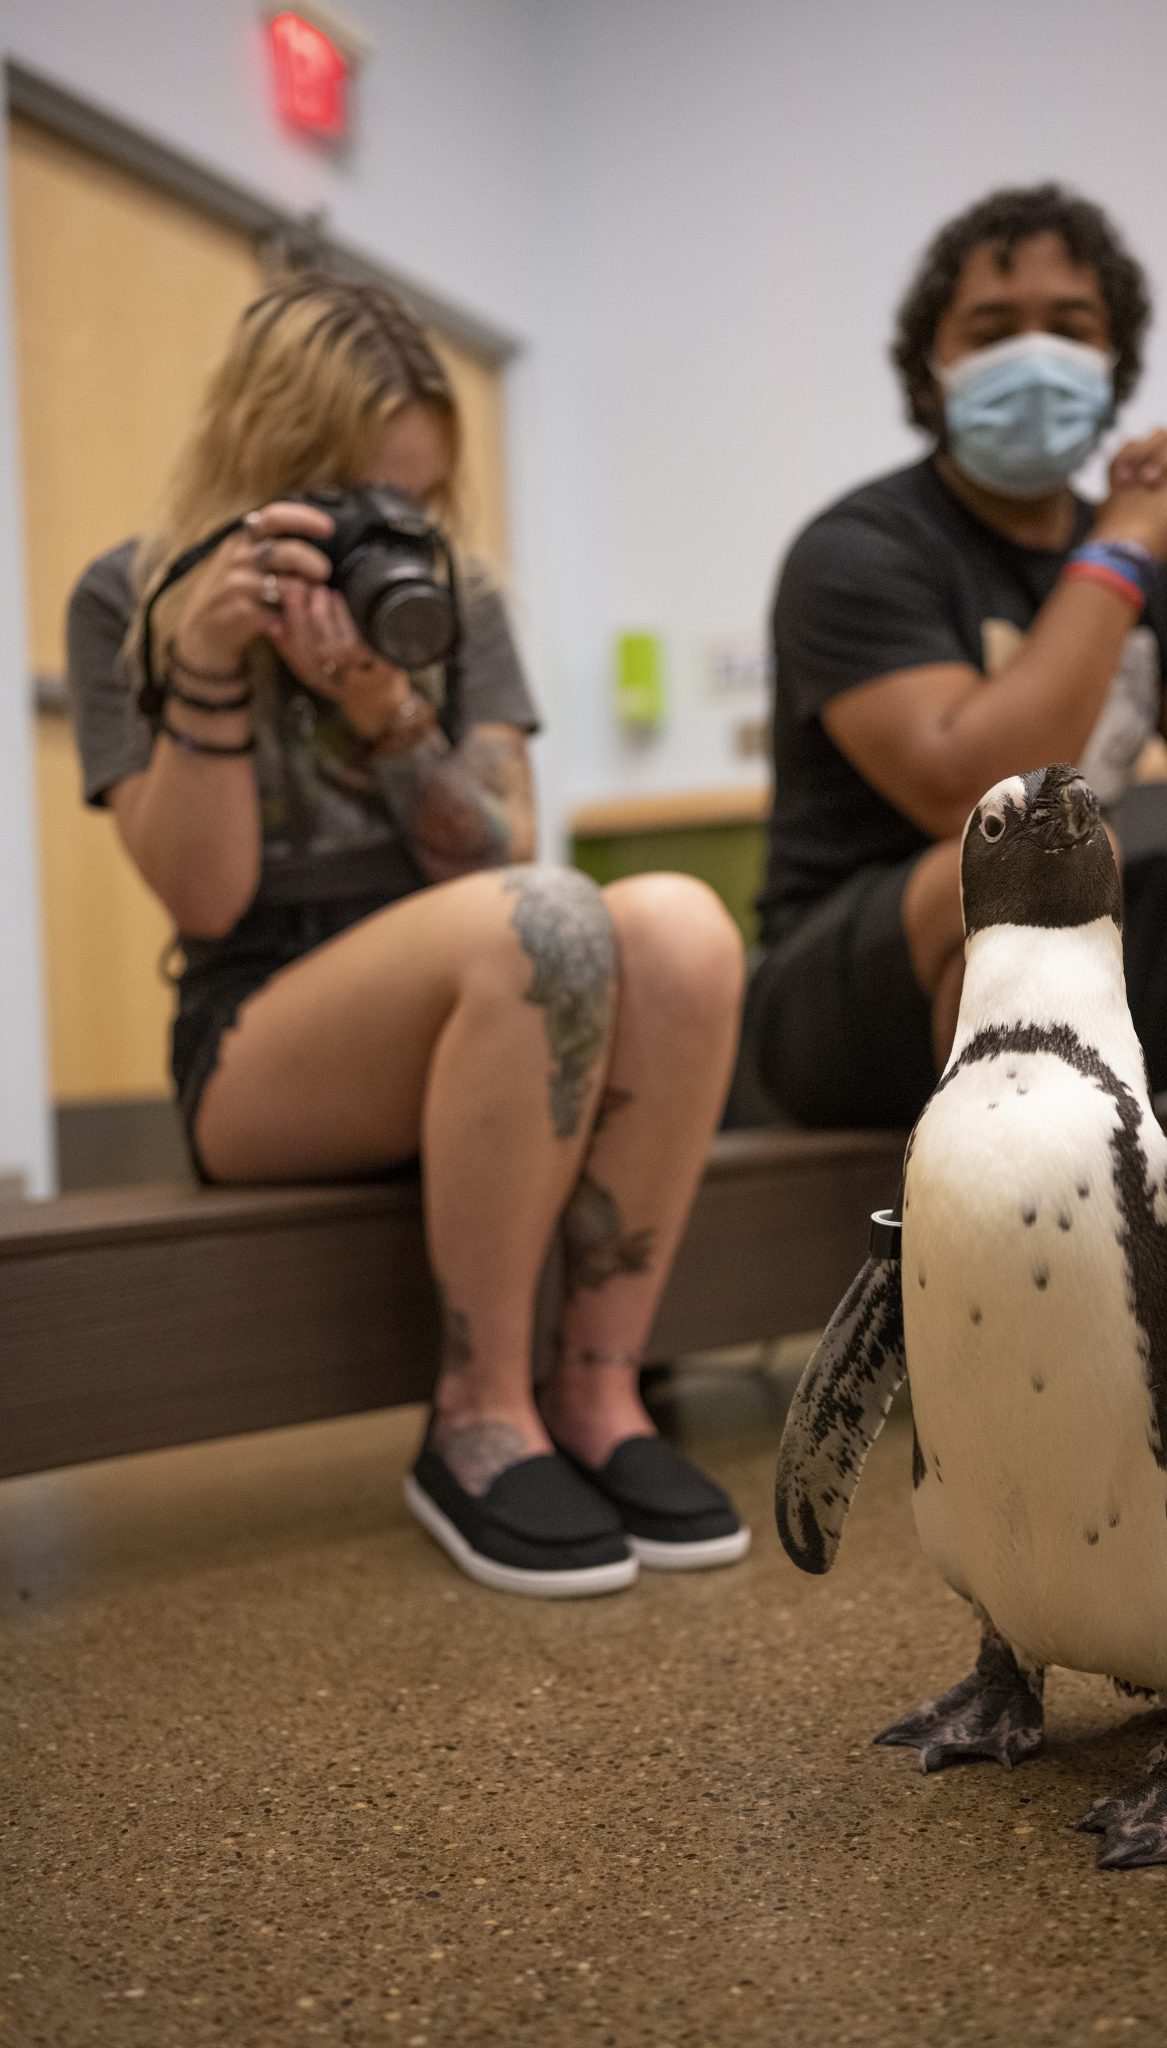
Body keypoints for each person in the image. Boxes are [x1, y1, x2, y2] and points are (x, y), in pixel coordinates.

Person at [66, 273, 749, 1595]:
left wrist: (378, 699)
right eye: (357, 504)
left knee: (681, 929)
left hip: (484, 1003)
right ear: (265, 472)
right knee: (540, 920)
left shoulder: (452, 597)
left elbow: (499, 850)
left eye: (419, 503)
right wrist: (210, 665)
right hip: (258, 1047)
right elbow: (205, 900)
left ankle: (598, 1389)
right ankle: (477, 1416)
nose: (392, 535)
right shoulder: (136, 595)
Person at [747, 182, 1167, 1395]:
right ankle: (1012, 1315)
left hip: (1072, 956)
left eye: (1072, 325)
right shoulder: (860, 548)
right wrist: (1123, 548)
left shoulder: (1151, 557)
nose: (1035, 353)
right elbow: (964, 792)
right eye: (991, 327)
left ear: (1114, 359)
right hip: (843, 992)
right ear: (932, 366)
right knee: (1017, 850)